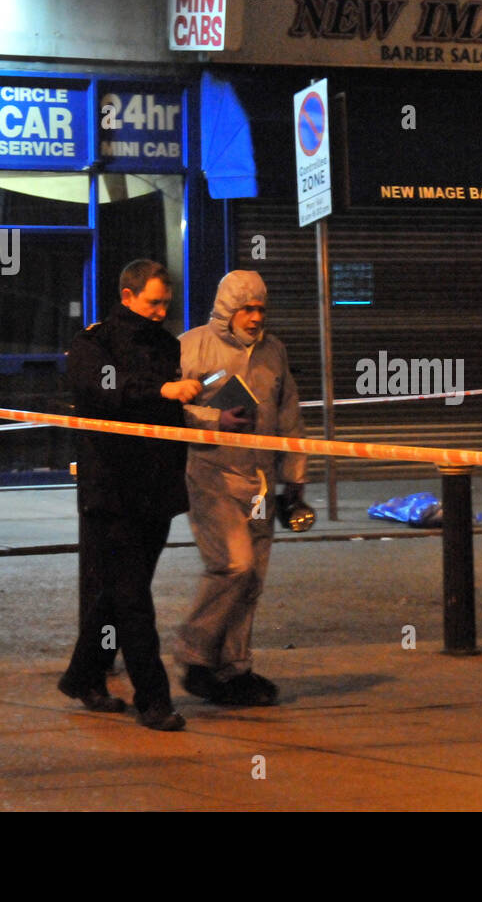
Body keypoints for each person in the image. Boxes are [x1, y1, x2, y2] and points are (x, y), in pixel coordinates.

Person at [58, 259, 201, 731]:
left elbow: (169, 415)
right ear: (127, 296)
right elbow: (105, 391)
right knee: (134, 599)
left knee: (118, 595)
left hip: (156, 487)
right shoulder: (92, 343)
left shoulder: (167, 343)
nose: (161, 311)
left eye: (166, 302)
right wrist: (164, 388)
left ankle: (84, 676)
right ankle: (154, 700)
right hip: (111, 489)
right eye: (153, 301)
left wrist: (212, 420)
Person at [176, 270, 306, 706]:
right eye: (245, 309)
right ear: (227, 310)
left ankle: (234, 668)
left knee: (251, 580)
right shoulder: (191, 347)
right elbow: (170, 412)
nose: (253, 317)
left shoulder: (274, 353)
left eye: (260, 309)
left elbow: (290, 418)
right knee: (233, 565)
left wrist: (296, 481)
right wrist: (215, 421)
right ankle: (195, 654)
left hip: (261, 481)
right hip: (211, 474)